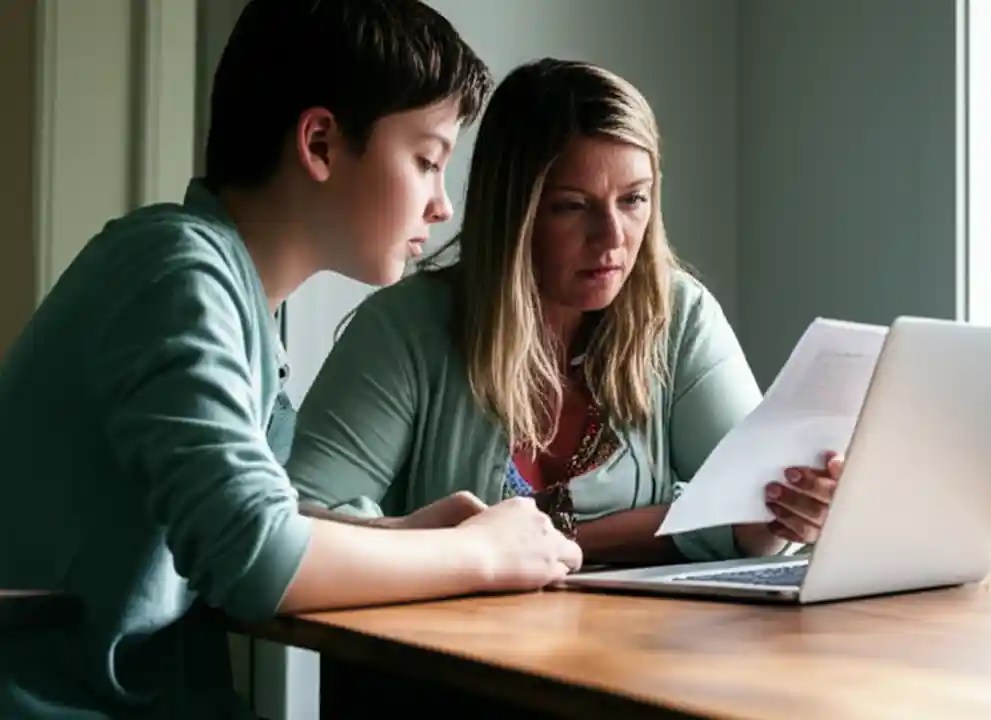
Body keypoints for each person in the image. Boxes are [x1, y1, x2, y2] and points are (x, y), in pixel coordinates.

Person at [0, 2, 582, 718]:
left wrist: (398, 534)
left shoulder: (240, 299)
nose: (441, 207)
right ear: (321, 143)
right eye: (427, 160)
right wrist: (481, 557)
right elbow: (253, 556)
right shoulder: (177, 274)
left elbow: (250, 515)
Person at [287, 58, 845, 567]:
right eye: (572, 206)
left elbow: (743, 510)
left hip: (632, 658)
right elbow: (302, 523)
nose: (612, 238)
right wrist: (454, 548)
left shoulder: (679, 316)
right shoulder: (404, 329)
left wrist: (787, 513)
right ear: (514, 212)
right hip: (444, 668)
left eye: (634, 199)